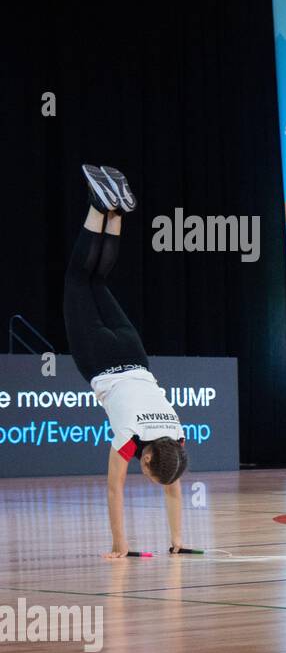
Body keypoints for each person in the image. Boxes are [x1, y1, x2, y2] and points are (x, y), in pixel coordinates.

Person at [65, 165, 193, 559]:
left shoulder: (176, 435)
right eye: (151, 473)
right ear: (150, 457)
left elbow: (173, 484)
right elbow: (113, 489)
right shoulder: (130, 441)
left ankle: (115, 209)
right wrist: (120, 545)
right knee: (77, 279)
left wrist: (177, 539)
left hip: (134, 354)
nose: (150, 478)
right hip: (100, 360)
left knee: (98, 281)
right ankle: (97, 204)